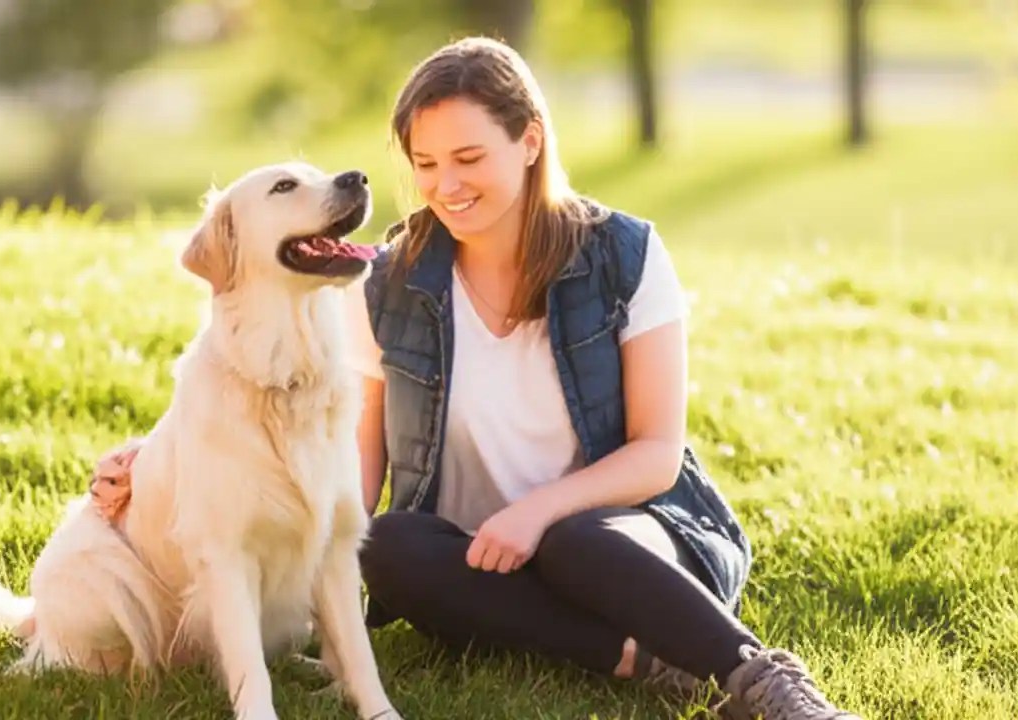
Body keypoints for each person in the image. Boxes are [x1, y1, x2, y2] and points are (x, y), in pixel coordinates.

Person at [92, 36, 859, 720]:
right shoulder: (386, 284)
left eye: (468, 160)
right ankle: (636, 656)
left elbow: (657, 455)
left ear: (529, 142)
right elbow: (348, 481)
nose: (446, 186)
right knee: (386, 545)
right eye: (425, 165)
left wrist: (538, 513)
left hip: (625, 542)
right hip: (473, 559)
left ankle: (762, 682)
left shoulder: (626, 255)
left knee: (571, 539)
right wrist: (171, 463)